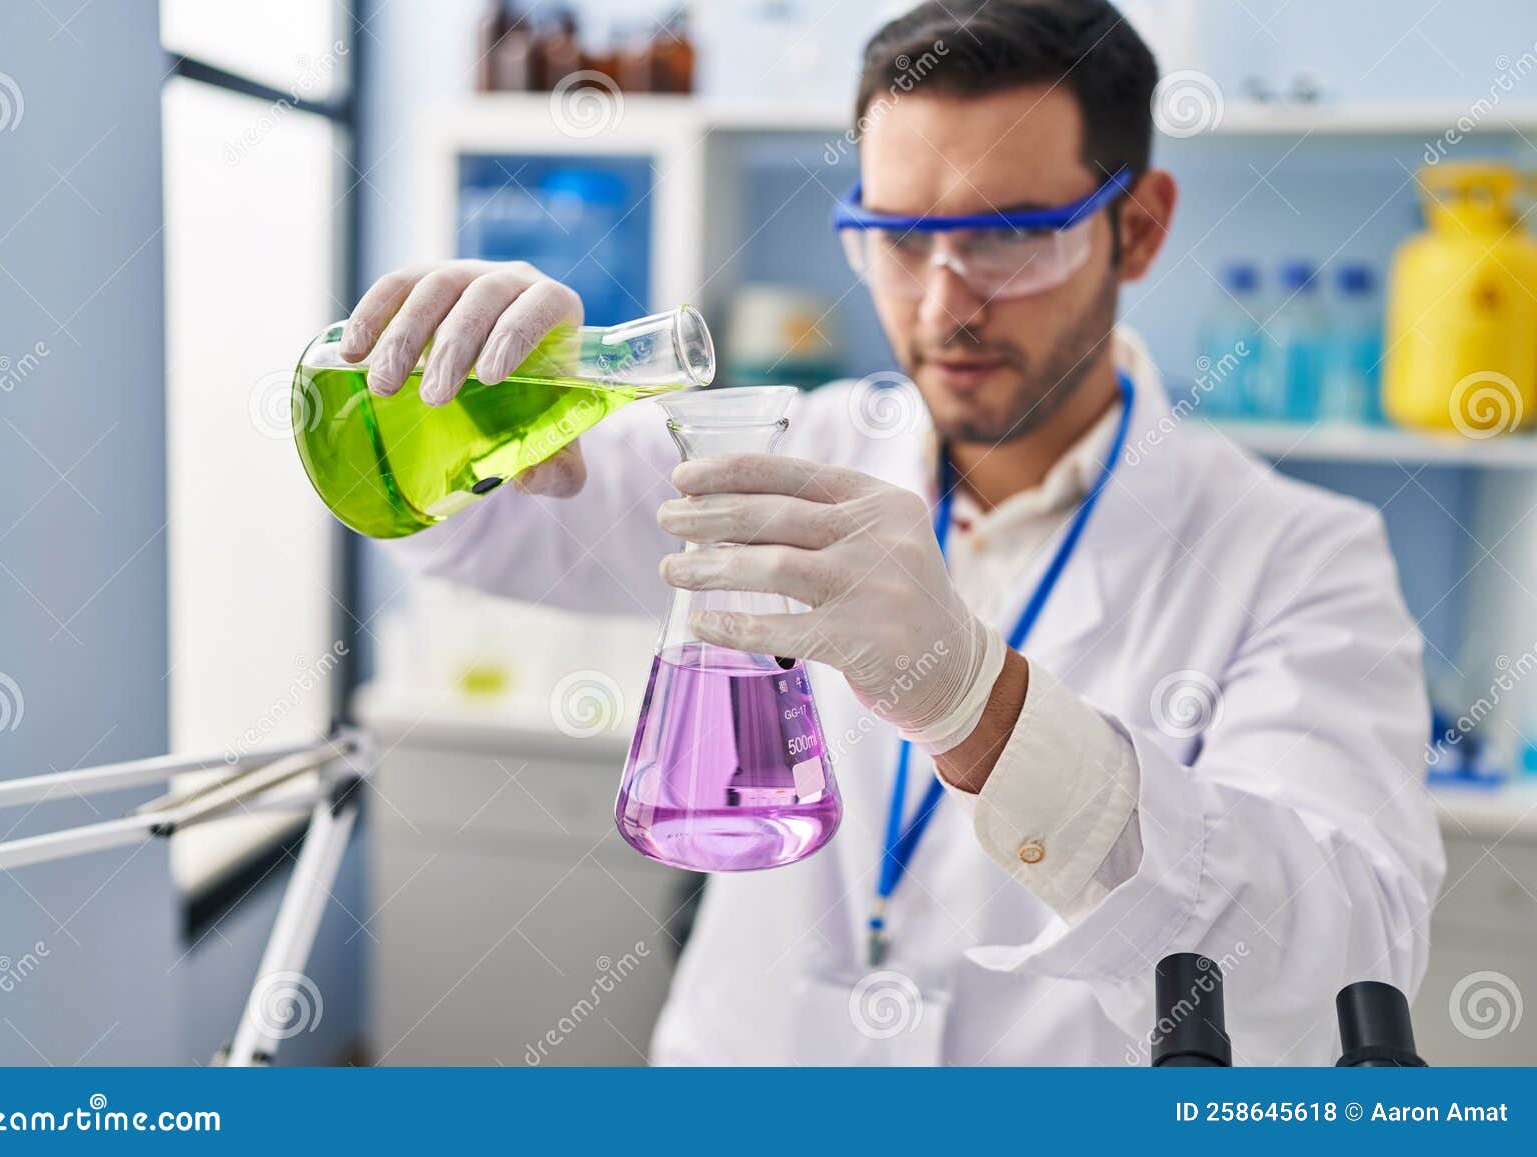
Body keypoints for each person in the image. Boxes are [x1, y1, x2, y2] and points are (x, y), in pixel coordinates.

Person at [342, 0, 1443, 1065]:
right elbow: (470, 537)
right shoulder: (791, 447)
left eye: (1009, 236)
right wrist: (463, 400)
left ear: (1138, 226)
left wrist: (981, 706)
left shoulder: (1300, 554)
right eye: (899, 239)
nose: (943, 306)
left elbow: (1342, 957)